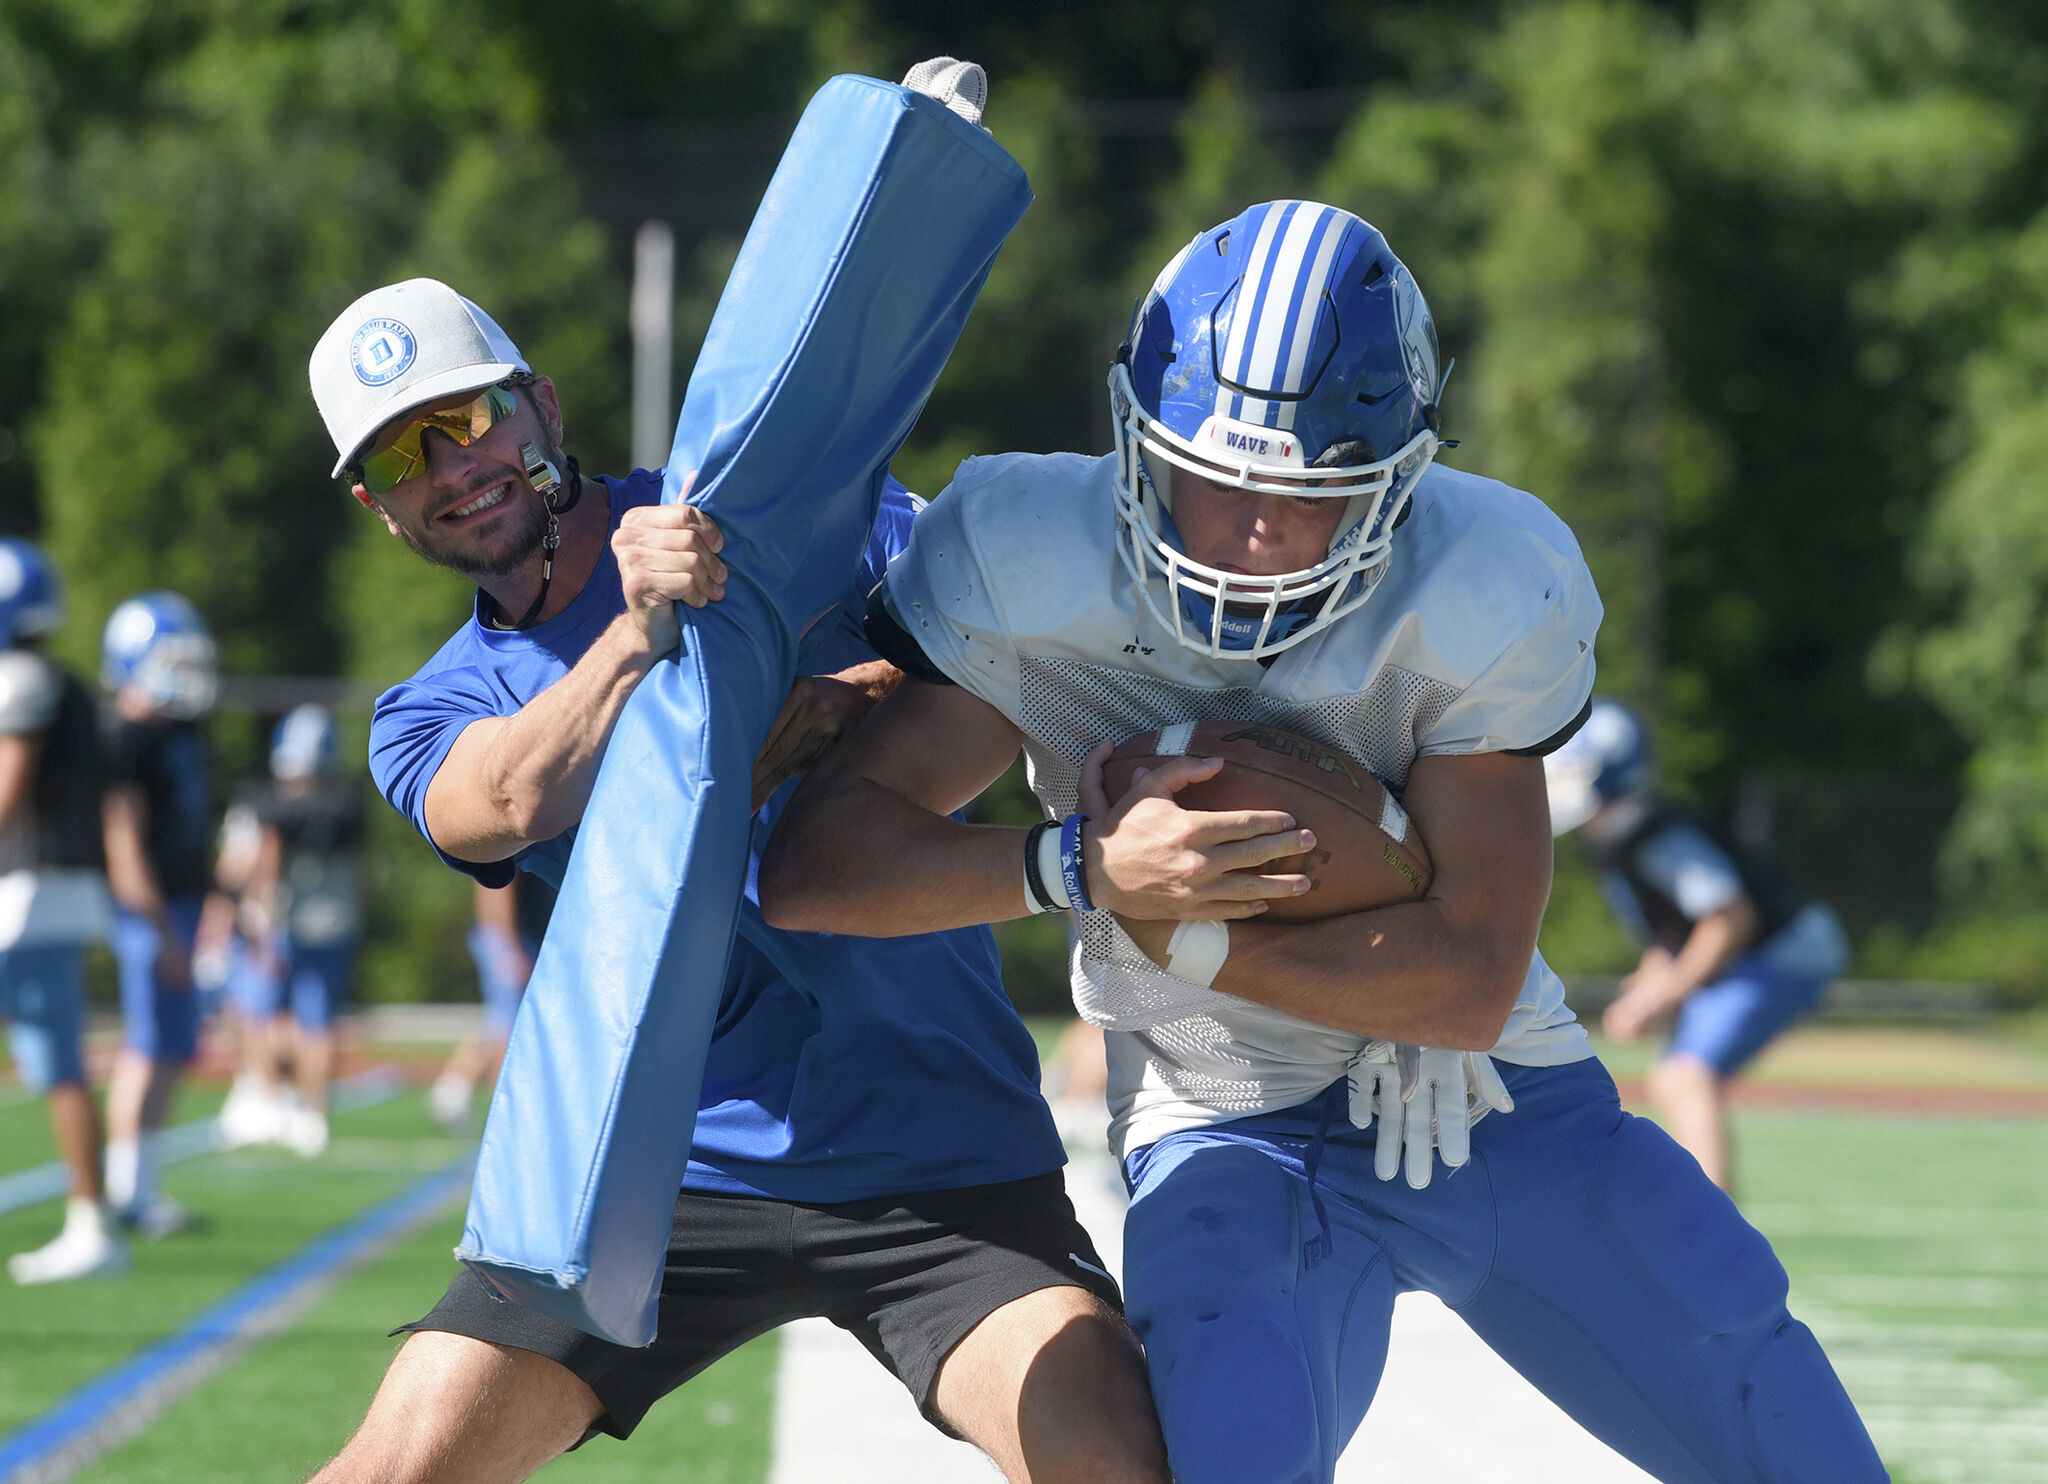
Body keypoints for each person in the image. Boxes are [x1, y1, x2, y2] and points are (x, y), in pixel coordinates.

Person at [761, 200, 1886, 1482]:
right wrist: (1070, 864)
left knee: (1777, 1418)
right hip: (1219, 1108)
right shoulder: (1023, 549)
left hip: (1489, 1093)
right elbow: (817, 869)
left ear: (1395, 479)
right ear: (1134, 437)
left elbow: (1464, 984)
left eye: (1303, 495)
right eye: (1215, 477)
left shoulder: (1486, 572)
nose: (1249, 532)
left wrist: (1176, 933)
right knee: (1229, 1452)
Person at [302, 262, 1169, 1477]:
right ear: (373, 507)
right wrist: (635, 639)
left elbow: (1001, 644)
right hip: (652, 1177)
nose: (451, 467)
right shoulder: (424, 708)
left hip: (934, 1147)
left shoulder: (772, 506)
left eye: (467, 417)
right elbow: (500, 798)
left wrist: (831, 704)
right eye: (401, 458)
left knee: (1115, 1457)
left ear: (540, 404)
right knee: (385, 1470)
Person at [1545, 698, 1851, 1191]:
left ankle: (1715, 1230)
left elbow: (1729, 917)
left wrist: (1663, 994)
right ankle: (1704, 1214)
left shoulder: (1650, 832)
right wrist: (1651, 981)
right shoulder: (1621, 834)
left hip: (1783, 948)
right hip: (1763, 949)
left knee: (1687, 1076)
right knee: (1672, 1078)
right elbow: (1672, 932)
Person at [0, 539, 124, 1284]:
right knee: (53, 1056)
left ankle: (91, 1218)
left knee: (56, 1057)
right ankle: (91, 1217)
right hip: (52, 891)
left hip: (31, 894)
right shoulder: (55, 678)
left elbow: (6, 789)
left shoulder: (23, 679)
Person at [99, 589, 218, 1238]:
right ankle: (124, 1188)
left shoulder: (180, 730)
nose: (185, 671)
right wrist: (161, 927)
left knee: (175, 1045)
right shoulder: (124, 735)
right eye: (171, 659)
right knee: (147, 1045)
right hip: (151, 909)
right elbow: (123, 843)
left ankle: (141, 1187)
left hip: (183, 903)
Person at [212, 703, 367, 1157]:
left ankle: (272, 1099)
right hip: (337, 920)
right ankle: (313, 1115)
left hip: (288, 921)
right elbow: (362, 866)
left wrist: (257, 912)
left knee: (259, 1013)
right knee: (317, 1022)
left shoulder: (272, 807)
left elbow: (266, 864)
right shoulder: (348, 805)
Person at [428, 873, 554, 1135]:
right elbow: (494, 885)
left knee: (508, 1024)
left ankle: (456, 1083)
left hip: (519, 936)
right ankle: (505, 1118)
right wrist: (507, 947)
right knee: (509, 1032)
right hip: (509, 938)